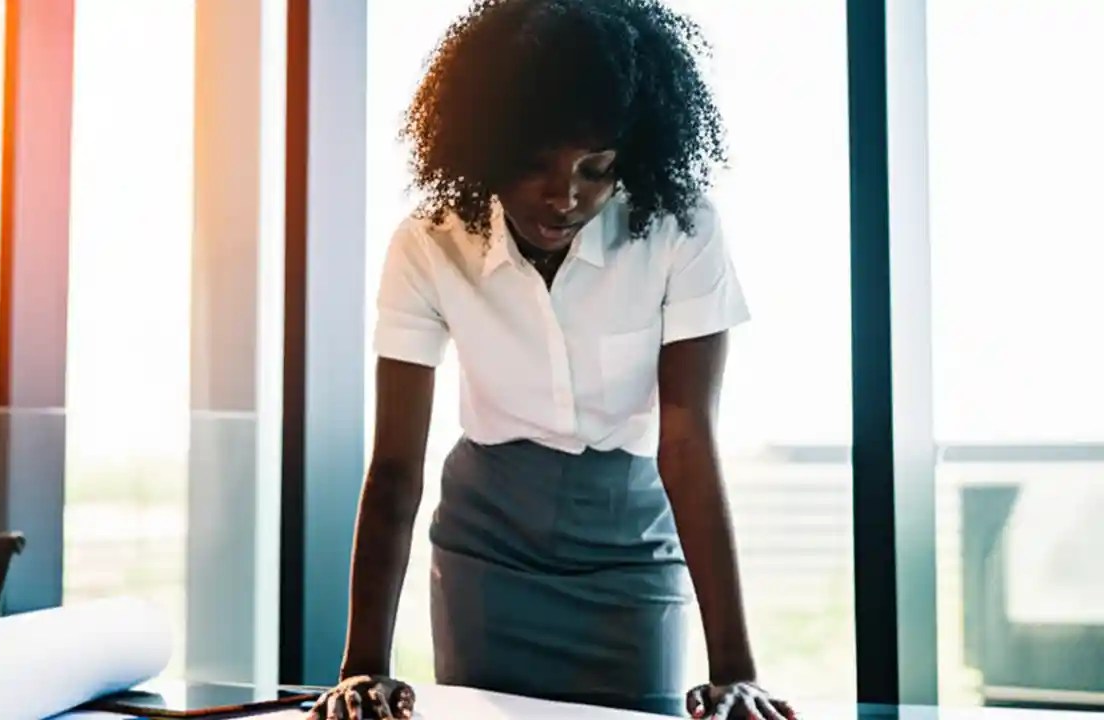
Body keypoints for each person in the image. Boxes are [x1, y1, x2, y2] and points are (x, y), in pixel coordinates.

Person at [310, 1, 795, 718]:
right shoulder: (429, 246)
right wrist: (361, 669)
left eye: (595, 168)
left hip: (629, 547)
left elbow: (688, 443)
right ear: (483, 145)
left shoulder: (680, 230)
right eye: (533, 164)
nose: (565, 196)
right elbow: (393, 468)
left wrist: (736, 672)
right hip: (488, 548)